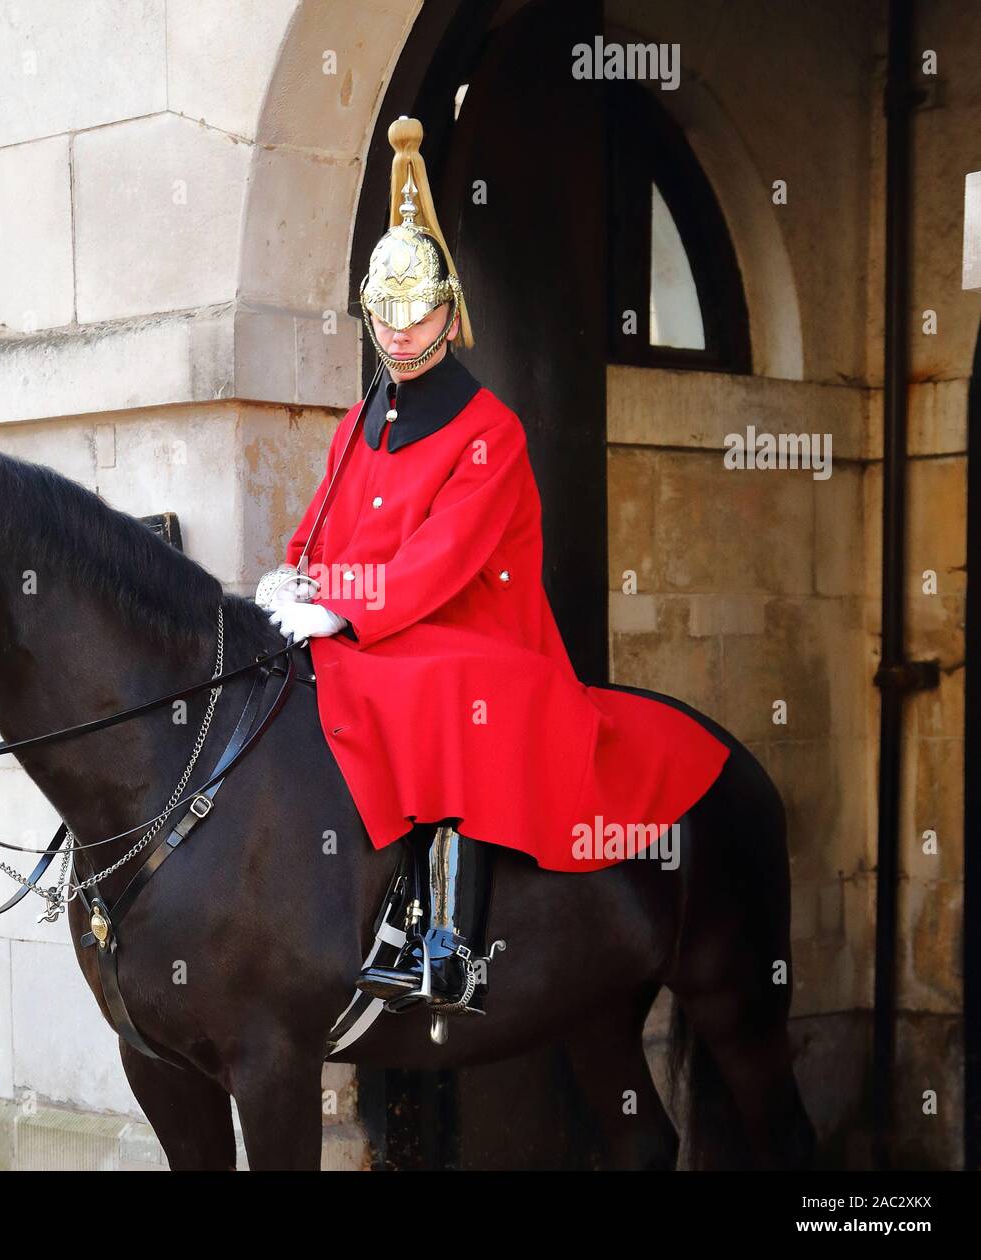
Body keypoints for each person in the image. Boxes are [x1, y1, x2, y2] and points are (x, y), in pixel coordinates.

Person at [257, 116, 730, 1015]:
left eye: (419, 311)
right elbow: (327, 526)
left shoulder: (490, 431)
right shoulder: (363, 421)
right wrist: (298, 577)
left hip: (480, 634)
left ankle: (448, 944)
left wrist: (347, 609)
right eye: (386, 313)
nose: (401, 333)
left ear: (450, 310)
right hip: (380, 618)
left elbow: (441, 563)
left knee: (431, 679)